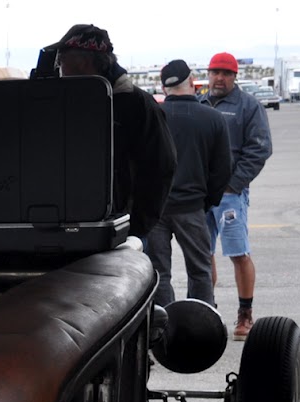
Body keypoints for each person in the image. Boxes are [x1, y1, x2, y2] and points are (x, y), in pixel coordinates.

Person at [51, 24, 175, 243]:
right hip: (77, 225)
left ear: (83, 61)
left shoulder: (136, 104)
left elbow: (161, 166)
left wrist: (137, 228)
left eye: (62, 59)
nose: (59, 66)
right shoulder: (72, 101)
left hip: (123, 229)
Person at [146, 59, 231, 310]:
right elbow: (223, 169)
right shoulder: (213, 118)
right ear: (193, 84)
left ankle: (163, 328)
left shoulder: (153, 117)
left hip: (156, 210)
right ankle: (202, 324)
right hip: (193, 207)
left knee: (159, 272)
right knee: (199, 270)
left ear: (164, 89)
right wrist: (207, 200)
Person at [202, 51, 273, 339]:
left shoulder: (249, 106)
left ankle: (245, 315)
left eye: (226, 73)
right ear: (207, 75)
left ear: (234, 76)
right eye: (215, 72)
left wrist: (234, 184)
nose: (219, 78)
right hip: (200, 195)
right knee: (202, 256)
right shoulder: (199, 103)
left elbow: (260, 148)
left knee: (238, 253)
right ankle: (207, 312)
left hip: (230, 196)